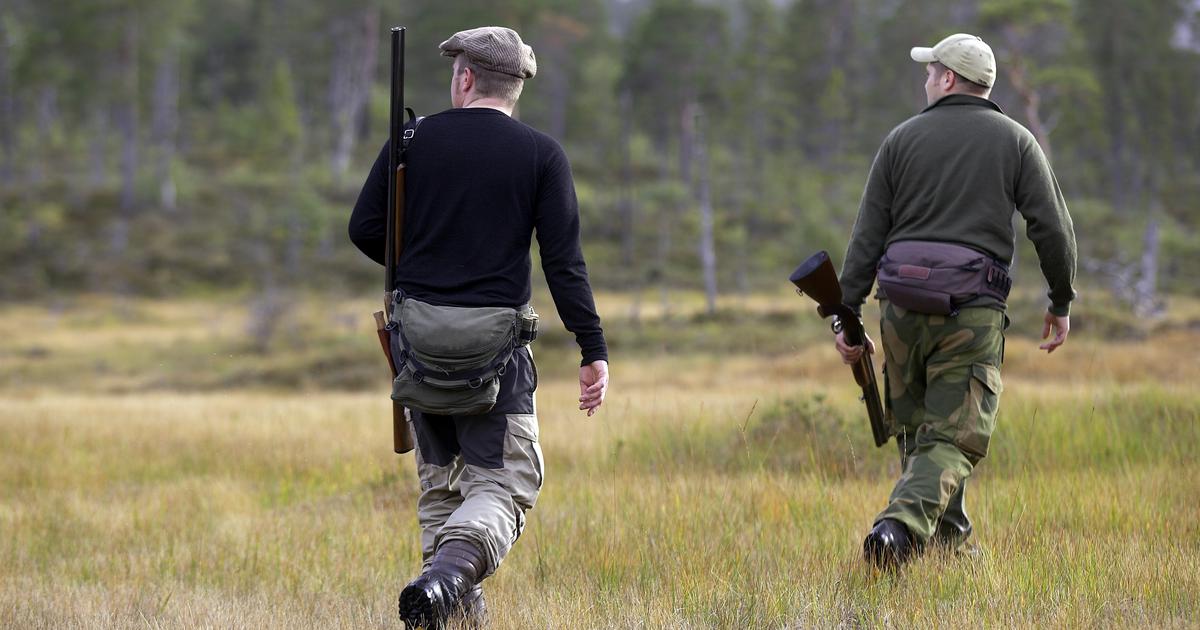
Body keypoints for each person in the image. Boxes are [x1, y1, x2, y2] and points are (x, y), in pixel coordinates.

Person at [348, 26, 610, 627]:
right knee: (508, 483)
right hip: (497, 356)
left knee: (442, 491)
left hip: (417, 345)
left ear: (464, 78)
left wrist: (421, 267)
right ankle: (443, 582)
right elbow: (564, 265)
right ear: (515, 87)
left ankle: (440, 597)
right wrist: (591, 348)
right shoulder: (542, 154)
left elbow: (365, 229)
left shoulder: (410, 139)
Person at [835, 33, 1076, 568]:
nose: (925, 80)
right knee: (954, 434)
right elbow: (1053, 230)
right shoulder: (1016, 141)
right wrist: (1060, 301)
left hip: (898, 307)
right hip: (971, 310)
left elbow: (866, 237)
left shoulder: (900, 139)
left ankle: (951, 549)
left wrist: (844, 318)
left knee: (923, 433)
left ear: (947, 78)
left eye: (930, 72)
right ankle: (896, 530)